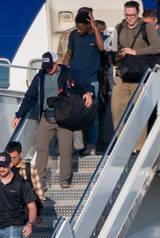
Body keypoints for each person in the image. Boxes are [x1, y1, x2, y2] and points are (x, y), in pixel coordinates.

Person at [111, 1, 160, 151]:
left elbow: (158, 47)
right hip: (122, 73)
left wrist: (136, 52)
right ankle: (121, 144)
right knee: (116, 109)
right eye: (127, 15)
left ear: (138, 13)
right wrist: (118, 55)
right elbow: (114, 50)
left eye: (133, 15)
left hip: (140, 75)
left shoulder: (147, 27)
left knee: (139, 111)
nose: (130, 18)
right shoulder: (119, 27)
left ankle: (139, 147)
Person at [19, 53, 73, 194]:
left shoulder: (67, 73)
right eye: (46, 67)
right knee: (41, 148)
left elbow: (80, 85)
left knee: (65, 149)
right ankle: (40, 181)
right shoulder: (40, 76)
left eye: (50, 66)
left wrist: (87, 93)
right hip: (46, 117)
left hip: (65, 117)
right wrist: (19, 115)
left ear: (57, 62)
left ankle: (65, 179)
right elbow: (29, 97)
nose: (48, 69)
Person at [60, 9, 105, 154]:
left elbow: (102, 47)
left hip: (91, 80)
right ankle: (78, 144)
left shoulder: (96, 36)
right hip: (74, 79)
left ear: (88, 25)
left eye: (80, 27)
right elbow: (69, 53)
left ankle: (91, 145)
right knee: (75, 110)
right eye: (76, 26)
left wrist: (95, 29)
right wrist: (64, 70)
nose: (78, 30)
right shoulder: (74, 35)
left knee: (91, 113)